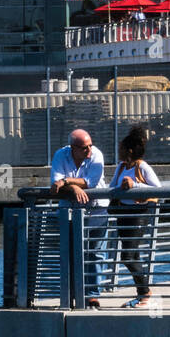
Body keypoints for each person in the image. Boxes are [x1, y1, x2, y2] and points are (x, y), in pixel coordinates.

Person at [51, 128, 107, 308]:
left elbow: (91, 182)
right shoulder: (61, 155)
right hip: (69, 210)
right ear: (73, 148)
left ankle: (92, 294)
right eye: (84, 148)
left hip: (96, 209)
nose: (89, 151)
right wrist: (73, 187)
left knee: (95, 253)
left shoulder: (96, 155)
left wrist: (67, 182)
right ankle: (72, 293)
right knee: (71, 252)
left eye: (90, 146)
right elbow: (55, 182)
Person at [108, 124, 161, 308]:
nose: (118, 151)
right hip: (124, 212)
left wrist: (134, 184)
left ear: (129, 150)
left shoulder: (142, 166)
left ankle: (145, 292)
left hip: (139, 213)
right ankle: (141, 294)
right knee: (133, 254)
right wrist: (120, 187)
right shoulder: (121, 167)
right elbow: (111, 187)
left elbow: (158, 189)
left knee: (128, 256)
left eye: (121, 149)